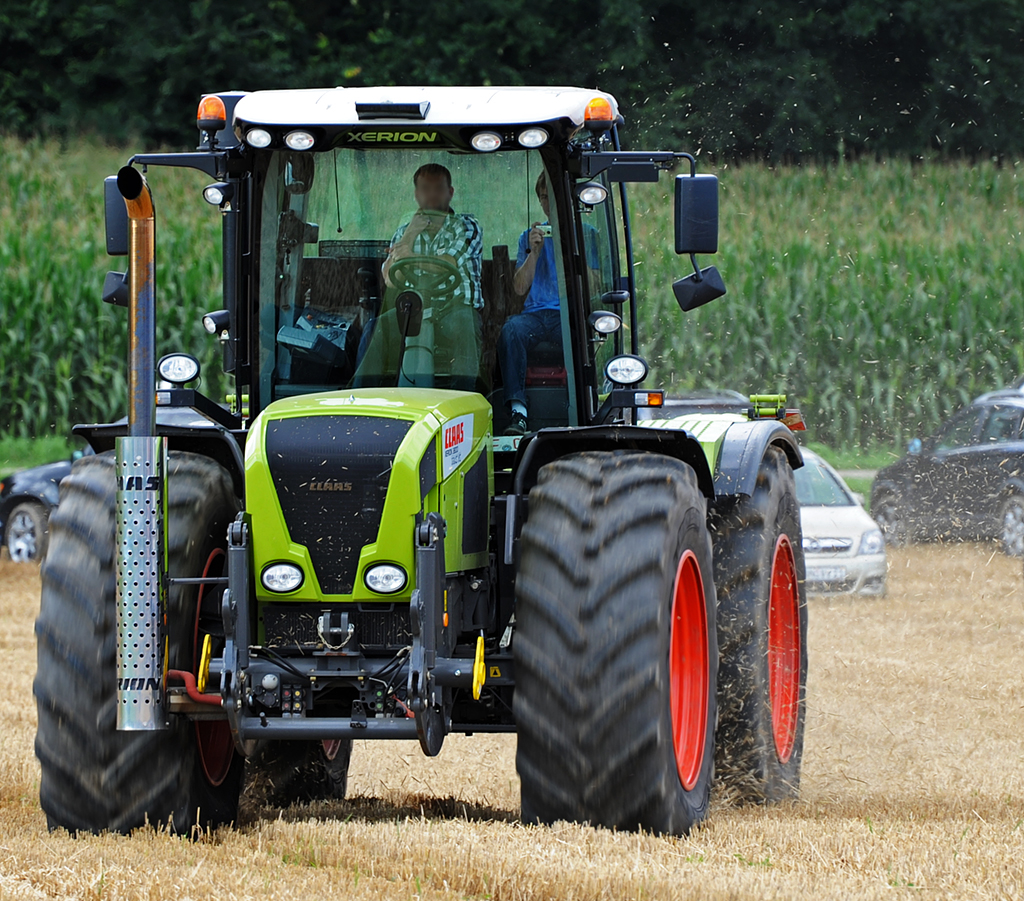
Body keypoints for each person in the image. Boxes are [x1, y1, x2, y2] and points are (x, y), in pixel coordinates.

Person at [354, 164, 483, 389]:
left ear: (450, 192)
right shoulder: (405, 231)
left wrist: (409, 255)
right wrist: (411, 234)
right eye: (425, 188)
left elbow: (448, 264)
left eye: (438, 188)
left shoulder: (467, 226)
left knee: (465, 324)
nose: (432, 194)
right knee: (376, 327)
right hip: (412, 311)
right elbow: (390, 278)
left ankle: (464, 400)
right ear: (416, 194)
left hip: (454, 309)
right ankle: (361, 398)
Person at [497, 172, 598, 435]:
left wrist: (570, 245)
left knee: (579, 335)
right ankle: (518, 411)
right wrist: (535, 253)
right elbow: (519, 288)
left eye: (554, 197)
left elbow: (596, 286)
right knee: (511, 330)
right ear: (539, 200)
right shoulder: (527, 238)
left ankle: (578, 407)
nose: (549, 203)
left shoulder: (586, 234)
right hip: (535, 315)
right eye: (544, 197)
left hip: (567, 315)